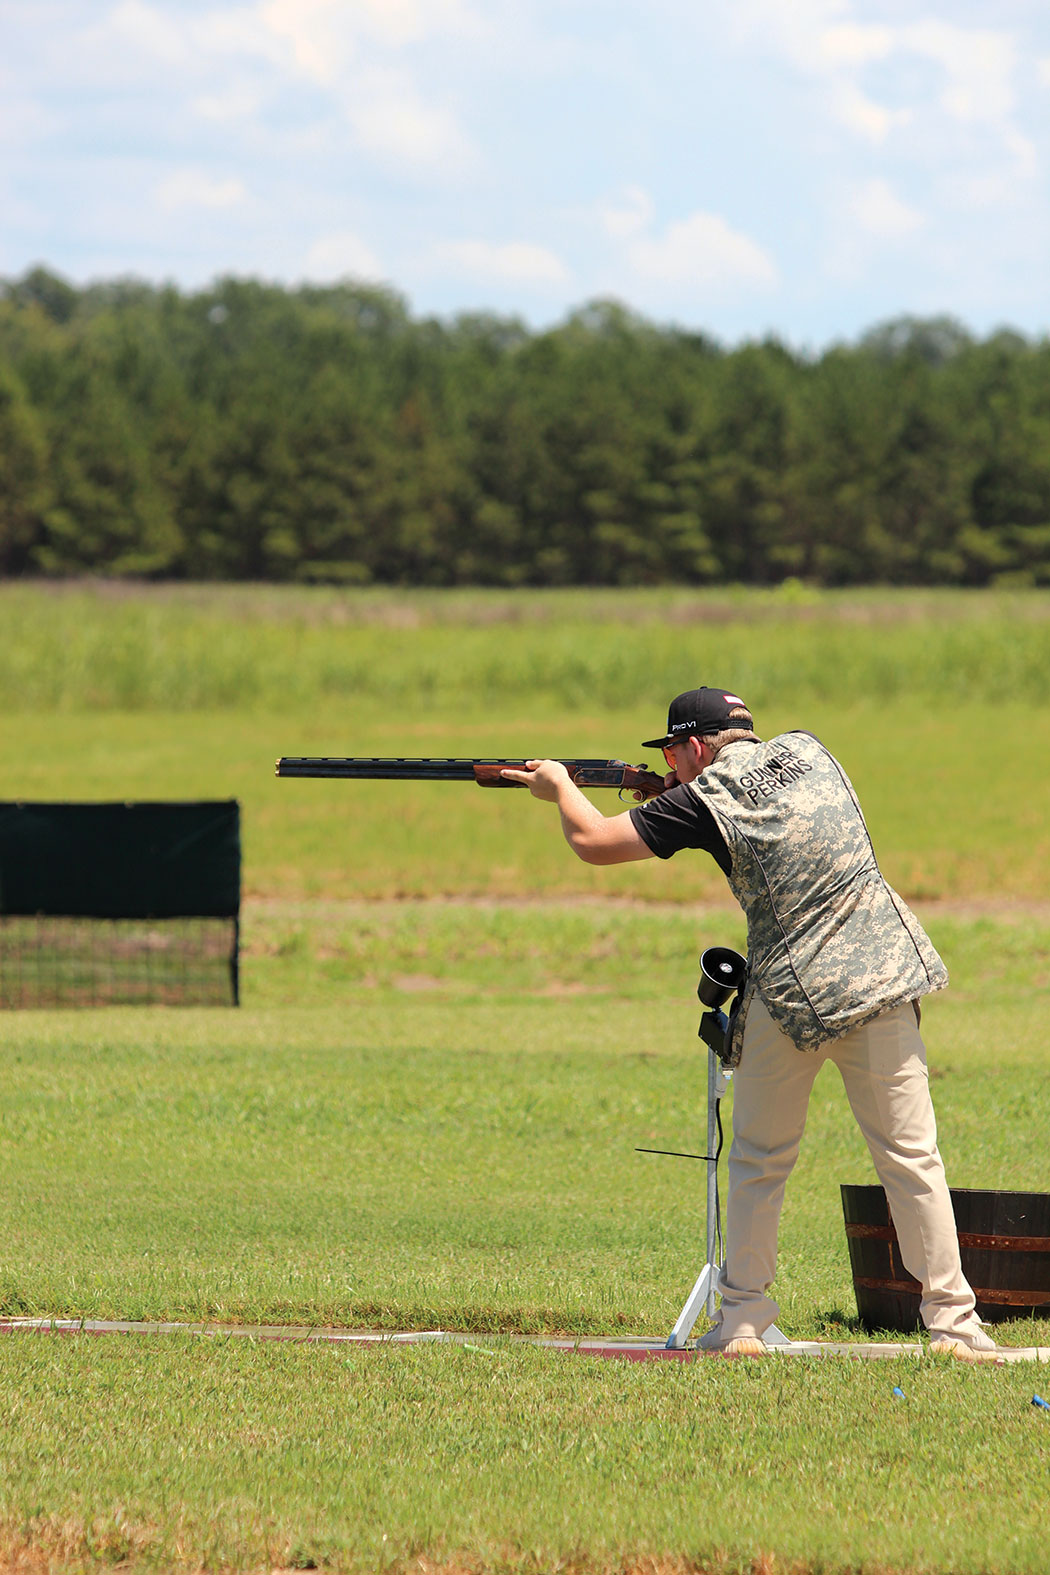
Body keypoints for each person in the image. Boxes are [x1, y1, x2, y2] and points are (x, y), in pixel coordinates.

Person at [501, 686, 999, 1361]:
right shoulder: (810, 749)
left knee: (760, 1159)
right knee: (912, 1160)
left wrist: (560, 786)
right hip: (882, 976)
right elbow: (771, 818)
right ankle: (955, 1324)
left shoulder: (702, 798)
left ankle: (741, 1321)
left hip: (792, 994)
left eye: (673, 751)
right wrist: (670, 796)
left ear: (696, 746)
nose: (671, 766)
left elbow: (593, 840)